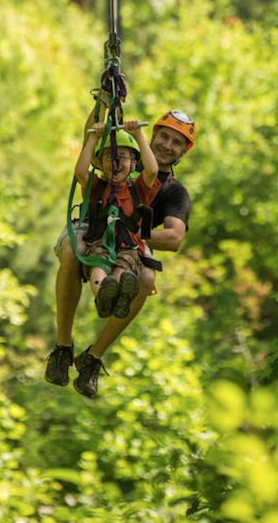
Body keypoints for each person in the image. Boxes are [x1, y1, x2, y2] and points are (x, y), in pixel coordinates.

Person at [45, 108, 196, 398]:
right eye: (163, 136)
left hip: (128, 241)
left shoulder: (173, 192)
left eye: (176, 143)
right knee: (70, 250)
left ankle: (93, 358)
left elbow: (175, 237)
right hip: (91, 227)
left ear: (183, 152)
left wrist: (128, 229)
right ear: (152, 136)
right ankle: (63, 347)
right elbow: (89, 141)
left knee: (148, 277)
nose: (167, 145)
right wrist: (101, 105)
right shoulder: (123, 154)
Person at [75, 120, 160, 320]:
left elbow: (153, 170)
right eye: (109, 158)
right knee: (99, 265)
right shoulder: (96, 186)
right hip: (100, 243)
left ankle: (121, 296)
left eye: (122, 158)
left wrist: (139, 135)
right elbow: (80, 171)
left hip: (128, 246)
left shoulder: (139, 188)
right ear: (100, 164)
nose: (115, 163)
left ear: (132, 163)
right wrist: (93, 137)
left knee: (125, 269)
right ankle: (103, 298)